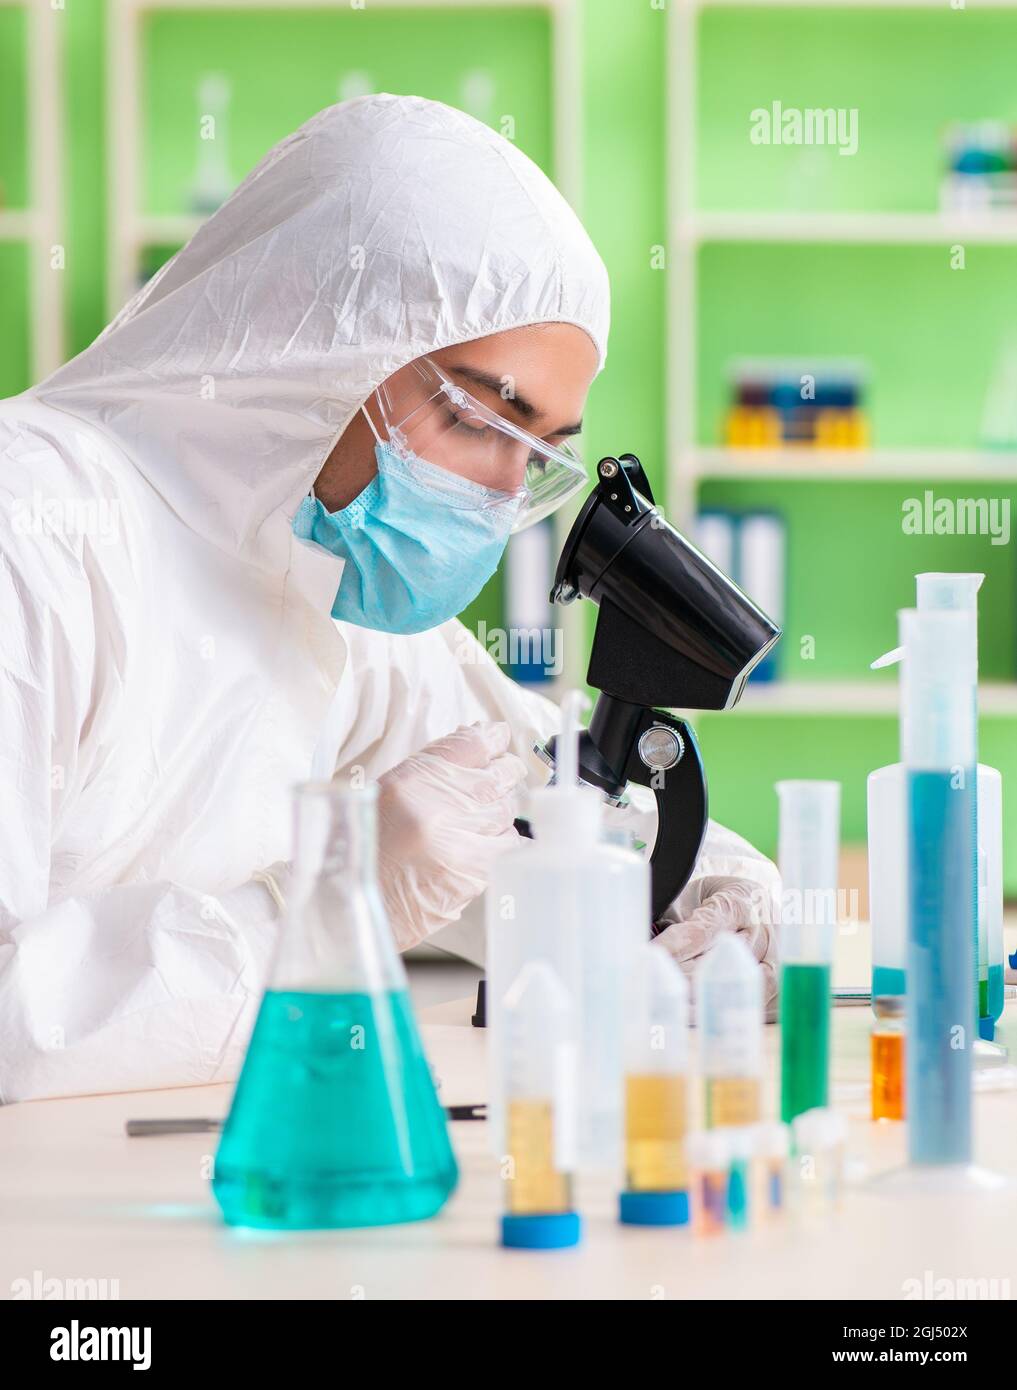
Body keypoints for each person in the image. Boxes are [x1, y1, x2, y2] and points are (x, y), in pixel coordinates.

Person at [0, 95, 777, 1103]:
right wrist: (331, 903)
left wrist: (725, 897)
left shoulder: (325, 578)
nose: (502, 499)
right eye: (480, 418)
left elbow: (567, 807)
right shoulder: (39, 530)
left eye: (540, 455)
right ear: (315, 344)